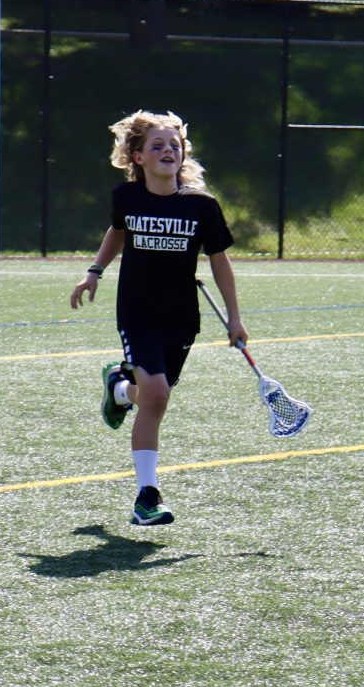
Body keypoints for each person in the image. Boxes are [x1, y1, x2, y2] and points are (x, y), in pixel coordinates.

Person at [69, 111, 247, 527]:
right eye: (157, 146)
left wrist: (235, 318)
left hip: (181, 318)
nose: (168, 151)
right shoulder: (127, 197)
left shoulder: (202, 207)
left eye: (174, 146)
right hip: (138, 313)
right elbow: (118, 230)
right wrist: (93, 272)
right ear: (137, 156)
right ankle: (146, 497)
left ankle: (118, 389)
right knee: (158, 395)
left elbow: (220, 263)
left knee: (152, 395)